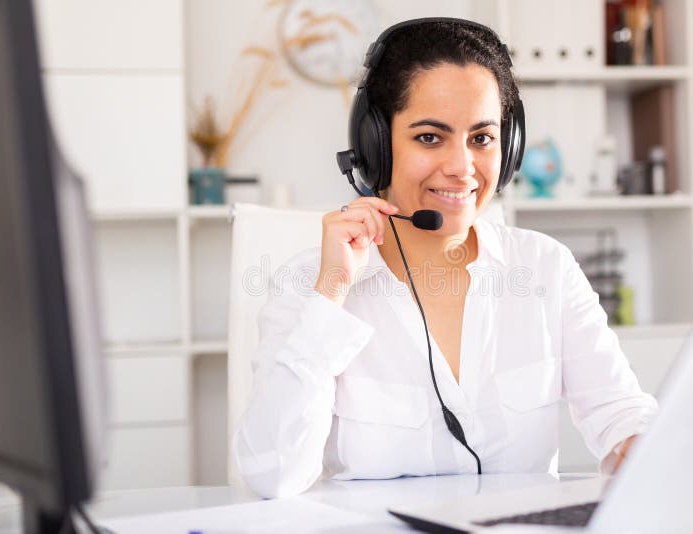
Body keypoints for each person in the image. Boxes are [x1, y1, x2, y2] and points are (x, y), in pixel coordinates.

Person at [233, 18, 657, 499]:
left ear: (510, 147)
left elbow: (621, 412)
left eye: (482, 138)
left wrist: (640, 443)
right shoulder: (310, 284)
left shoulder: (545, 268)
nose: (461, 168)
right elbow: (272, 475)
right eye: (430, 137)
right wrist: (330, 295)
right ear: (376, 147)